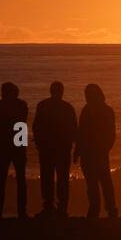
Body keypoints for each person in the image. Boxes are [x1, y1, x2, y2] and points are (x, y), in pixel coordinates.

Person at [33, 81, 77, 217]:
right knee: (62, 178)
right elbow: (74, 129)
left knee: (47, 177)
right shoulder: (68, 107)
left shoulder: (43, 106)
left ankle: (48, 206)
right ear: (61, 92)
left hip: (47, 148)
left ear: (51, 91)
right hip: (62, 149)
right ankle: (62, 208)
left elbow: (36, 127)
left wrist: (39, 143)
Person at [74, 83, 118, 218]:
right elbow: (81, 133)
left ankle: (99, 209)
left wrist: (78, 151)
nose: (86, 97)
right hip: (96, 152)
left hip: (94, 152)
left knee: (96, 182)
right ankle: (107, 209)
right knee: (101, 182)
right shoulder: (105, 110)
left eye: (88, 94)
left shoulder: (89, 110)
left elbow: (81, 133)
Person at [0, 82, 28, 220]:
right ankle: (21, 212)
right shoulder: (21, 105)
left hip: (5, 145)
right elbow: (22, 125)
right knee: (20, 180)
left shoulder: (0, 105)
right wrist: (22, 146)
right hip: (16, 145)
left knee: (2, 180)